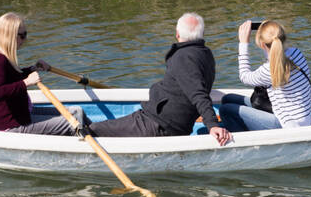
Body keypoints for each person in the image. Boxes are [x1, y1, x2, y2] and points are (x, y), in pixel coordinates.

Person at [90, 13, 230, 142]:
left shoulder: (183, 58)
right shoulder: (205, 54)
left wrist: (212, 124)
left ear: (177, 34)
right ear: (202, 34)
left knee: (92, 130)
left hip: (158, 125)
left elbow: (198, 93)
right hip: (162, 120)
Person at [0, 12, 86, 135]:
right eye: (22, 35)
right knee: (74, 121)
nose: (25, 39)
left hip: (22, 114)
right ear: (9, 36)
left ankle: (98, 132)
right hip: (11, 125)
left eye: (26, 34)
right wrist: (26, 82)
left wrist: (33, 68)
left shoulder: (2, 57)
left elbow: (12, 78)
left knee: (76, 111)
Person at [215, 19, 311, 141]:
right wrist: (267, 28)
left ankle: (243, 143)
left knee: (225, 110)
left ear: (262, 45)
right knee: (227, 99)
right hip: (299, 116)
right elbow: (276, 46)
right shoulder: (297, 53)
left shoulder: (269, 69)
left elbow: (245, 77)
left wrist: (243, 43)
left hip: (286, 126)